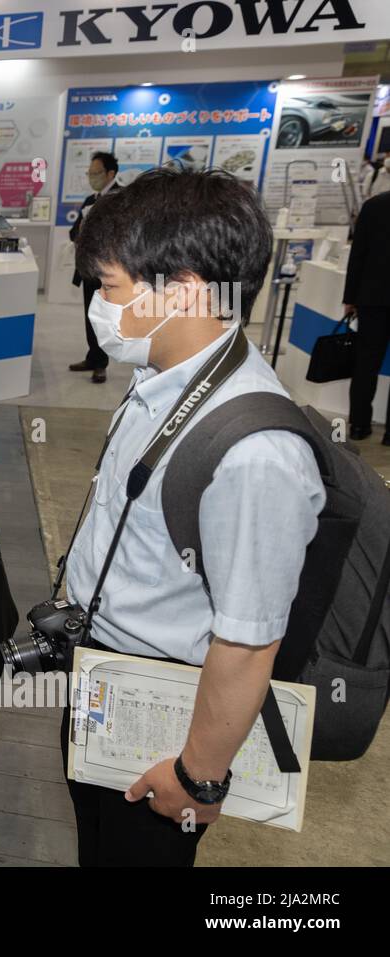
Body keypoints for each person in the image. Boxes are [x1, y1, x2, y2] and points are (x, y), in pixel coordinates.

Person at [66, 168, 324, 866]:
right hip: (107, 679)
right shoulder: (163, 374)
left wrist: (197, 777)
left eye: (111, 288)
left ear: (180, 290)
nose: (99, 306)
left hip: (167, 720)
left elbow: (246, 643)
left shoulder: (256, 453)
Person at [342, 188, 390, 444]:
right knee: (366, 363)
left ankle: (359, 425)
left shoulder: (373, 206)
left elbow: (357, 255)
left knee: (366, 363)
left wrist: (350, 297)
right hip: (373, 299)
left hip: (373, 299)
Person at [69, 151, 121, 384]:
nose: (92, 177)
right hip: (90, 269)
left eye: (96, 173)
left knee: (105, 317)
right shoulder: (91, 200)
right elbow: (73, 232)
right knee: (90, 316)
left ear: (111, 173)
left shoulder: (122, 199)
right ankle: (93, 357)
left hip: (109, 270)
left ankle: (101, 364)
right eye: (90, 173)